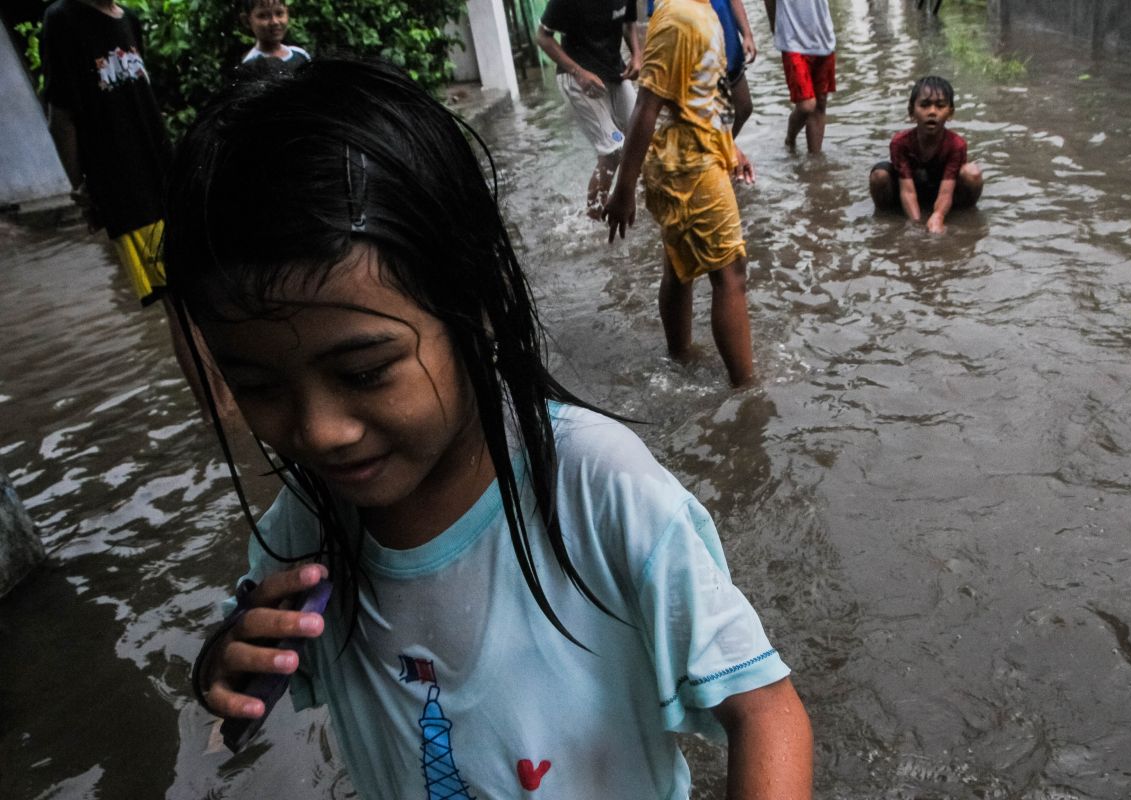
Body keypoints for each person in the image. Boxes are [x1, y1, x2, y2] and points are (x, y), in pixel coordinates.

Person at [173, 59, 813, 800]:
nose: (319, 433)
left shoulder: (598, 489)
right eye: (257, 385)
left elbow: (766, 711)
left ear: (473, 304)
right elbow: (241, 689)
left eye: (362, 372)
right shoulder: (307, 528)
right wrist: (223, 666)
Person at [39, 0, 232, 419]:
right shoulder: (63, 20)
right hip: (126, 191)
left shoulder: (129, 20)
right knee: (177, 303)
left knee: (198, 291)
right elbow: (63, 116)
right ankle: (217, 415)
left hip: (165, 177)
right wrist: (80, 189)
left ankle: (227, 403)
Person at [603, 0, 757, 387]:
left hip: (697, 154)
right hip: (687, 167)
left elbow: (702, 97)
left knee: (679, 265)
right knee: (731, 274)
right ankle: (746, 388)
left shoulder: (700, 9)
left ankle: (680, 357)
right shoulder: (678, 16)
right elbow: (646, 108)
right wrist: (623, 189)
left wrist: (730, 147)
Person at [536, 0, 641, 219]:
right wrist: (579, 72)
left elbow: (628, 24)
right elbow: (543, 37)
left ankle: (628, 199)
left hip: (614, 72)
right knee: (614, 149)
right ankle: (595, 219)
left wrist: (637, 56)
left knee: (641, 136)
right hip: (576, 78)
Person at [869, 76, 984, 234]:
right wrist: (916, 224)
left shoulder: (956, 145)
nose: (932, 112)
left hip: (941, 189)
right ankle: (885, 217)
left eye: (940, 106)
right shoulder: (900, 143)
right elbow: (907, 190)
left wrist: (938, 216)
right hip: (911, 188)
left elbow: (946, 191)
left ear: (950, 113)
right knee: (879, 176)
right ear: (911, 112)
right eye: (924, 105)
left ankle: (964, 216)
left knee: (973, 173)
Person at [647, 0, 759, 137]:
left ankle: (724, 150)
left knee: (744, 108)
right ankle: (717, 151)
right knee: (698, 119)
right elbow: (660, 17)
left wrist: (747, 34)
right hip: (695, 53)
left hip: (727, 41)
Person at [764, 0, 835, 153]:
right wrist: (774, 26)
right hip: (792, 40)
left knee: (820, 103)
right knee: (807, 105)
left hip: (823, 35)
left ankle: (814, 164)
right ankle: (790, 138)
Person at [237, 0, 310, 75]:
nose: (274, 22)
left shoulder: (301, 55)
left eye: (279, 13)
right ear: (246, 20)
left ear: (287, 13)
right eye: (263, 16)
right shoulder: (250, 65)